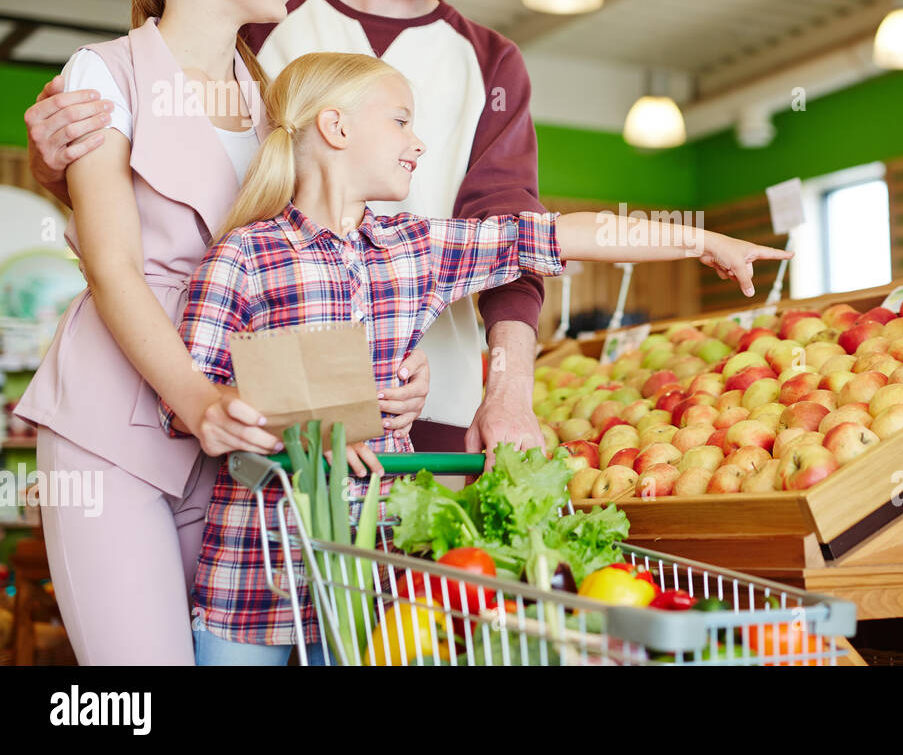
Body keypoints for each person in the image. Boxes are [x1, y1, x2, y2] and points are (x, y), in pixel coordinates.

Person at [166, 51, 792, 663]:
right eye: (401, 120)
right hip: (255, 581)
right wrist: (294, 428)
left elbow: (555, 234)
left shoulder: (413, 247)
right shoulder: (241, 258)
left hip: (378, 585)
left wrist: (700, 240)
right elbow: (191, 407)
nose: (420, 142)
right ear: (336, 126)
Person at [25, 0, 553, 468]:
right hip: (278, 405)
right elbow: (166, 184)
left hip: (437, 405)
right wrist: (55, 167)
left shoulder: (491, 62)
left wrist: (507, 393)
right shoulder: (258, 21)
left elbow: (513, 239)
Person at [11, 0, 429, 666]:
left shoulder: (274, 95)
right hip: (120, 425)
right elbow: (113, 269)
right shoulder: (105, 74)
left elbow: (307, 267)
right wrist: (199, 400)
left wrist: (384, 374)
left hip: (244, 435)